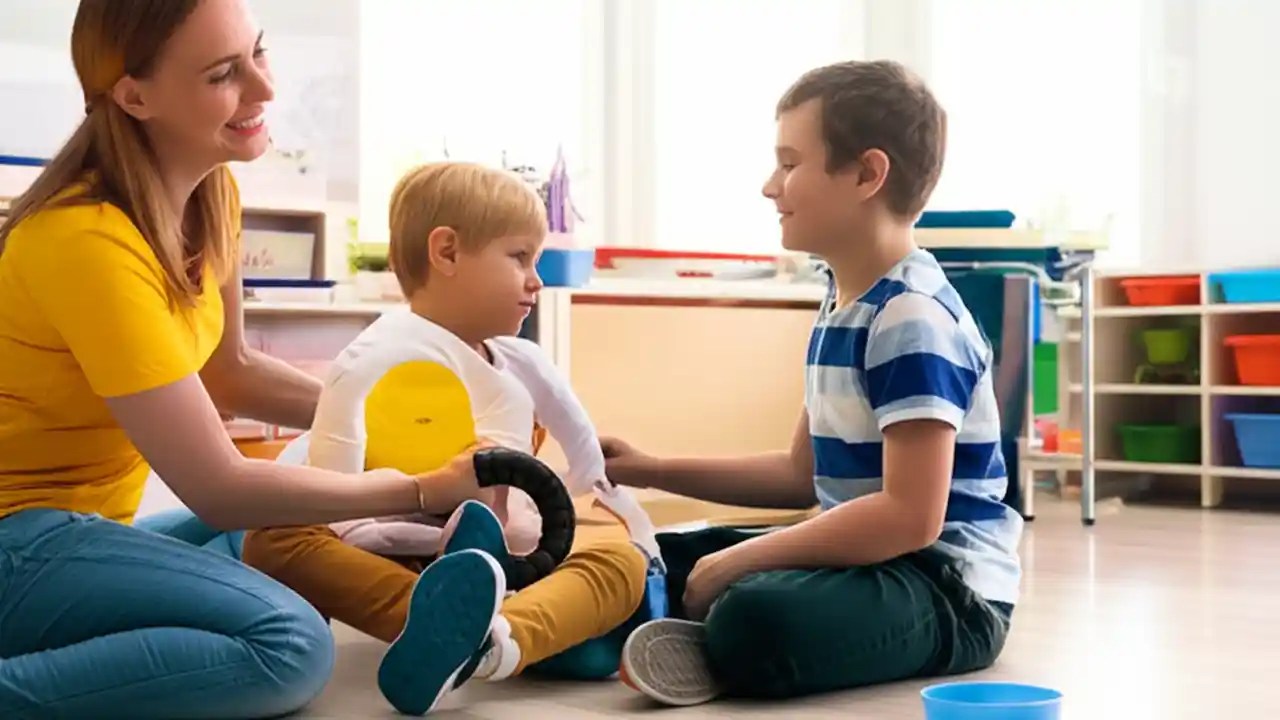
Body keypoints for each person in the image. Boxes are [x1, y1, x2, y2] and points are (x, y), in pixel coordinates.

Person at [0, 2, 491, 718]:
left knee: (293, 504)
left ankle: (436, 609)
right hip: (17, 542)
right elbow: (219, 490)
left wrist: (417, 427)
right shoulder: (84, 243)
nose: (264, 89)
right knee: (290, 642)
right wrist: (419, 487)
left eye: (258, 54)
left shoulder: (212, 194)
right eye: (225, 74)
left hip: (88, 530)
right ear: (135, 96)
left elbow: (229, 372)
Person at [605, 59, 1024, 706]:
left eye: (790, 162)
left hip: (944, 587)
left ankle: (705, 639)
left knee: (753, 614)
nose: (770, 186)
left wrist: (743, 559)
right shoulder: (843, 302)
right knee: (642, 557)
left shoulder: (911, 316)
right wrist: (653, 468)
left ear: (866, 173)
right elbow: (800, 474)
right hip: (866, 564)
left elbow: (912, 517)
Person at [242, 163, 651, 716]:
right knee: (274, 541)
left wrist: (618, 516)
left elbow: (584, 460)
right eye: (519, 258)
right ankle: (468, 620)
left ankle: (495, 642)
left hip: (516, 549)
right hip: (396, 546)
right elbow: (331, 487)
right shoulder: (371, 358)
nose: (538, 280)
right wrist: (418, 501)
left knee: (620, 561)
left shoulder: (521, 360)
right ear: (448, 253)